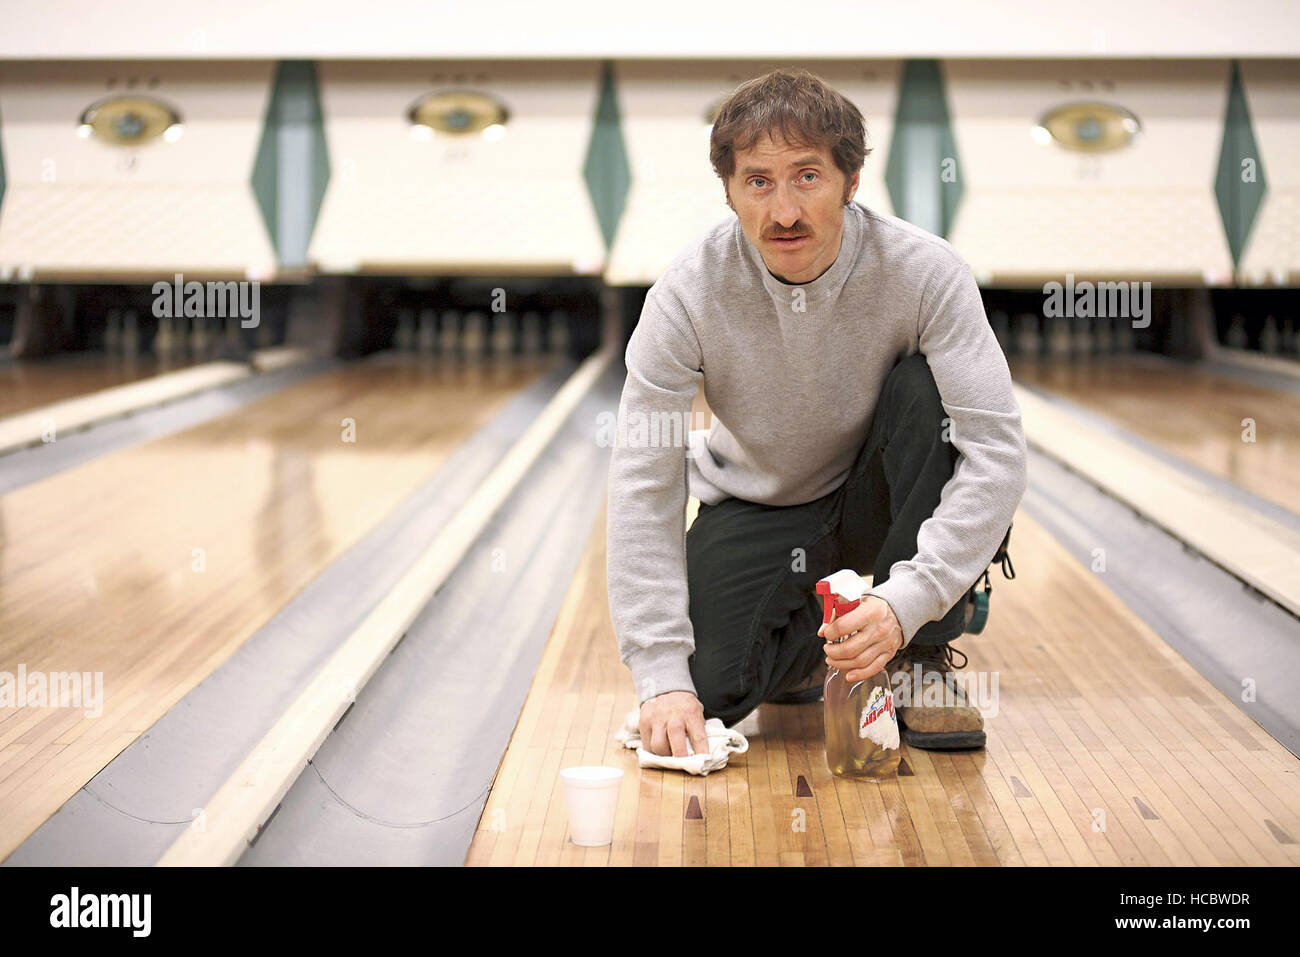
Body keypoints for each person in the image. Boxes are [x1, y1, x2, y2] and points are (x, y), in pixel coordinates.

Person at [605, 68, 1027, 759]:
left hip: (880, 496)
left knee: (926, 395)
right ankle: (817, 643)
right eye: (758, 182)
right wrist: (659, 675)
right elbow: (642, 478)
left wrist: (912, 598)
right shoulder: (686, 295)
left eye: (807, 177)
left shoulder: (926, 273)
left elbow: (997, 452)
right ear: (729, 191)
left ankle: (920, 650)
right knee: (708, 687)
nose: (784, 212)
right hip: (762, 504)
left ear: (851, 181)